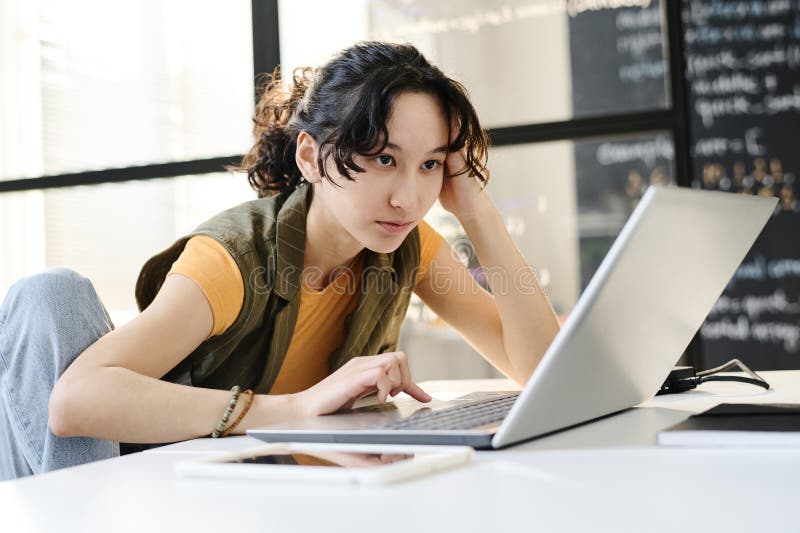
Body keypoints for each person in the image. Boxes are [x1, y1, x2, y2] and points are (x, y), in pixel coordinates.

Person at [0, 41, 560, 480]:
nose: (408, 197)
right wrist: (292, 409)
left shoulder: (406, 243)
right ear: (312, 156)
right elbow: (75, 402)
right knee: (51, 294)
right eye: (383, 158)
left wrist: (476, 212)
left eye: (431, 165)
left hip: (271, 493)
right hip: (141, 477)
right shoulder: (235, 260)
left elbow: (541, 374)